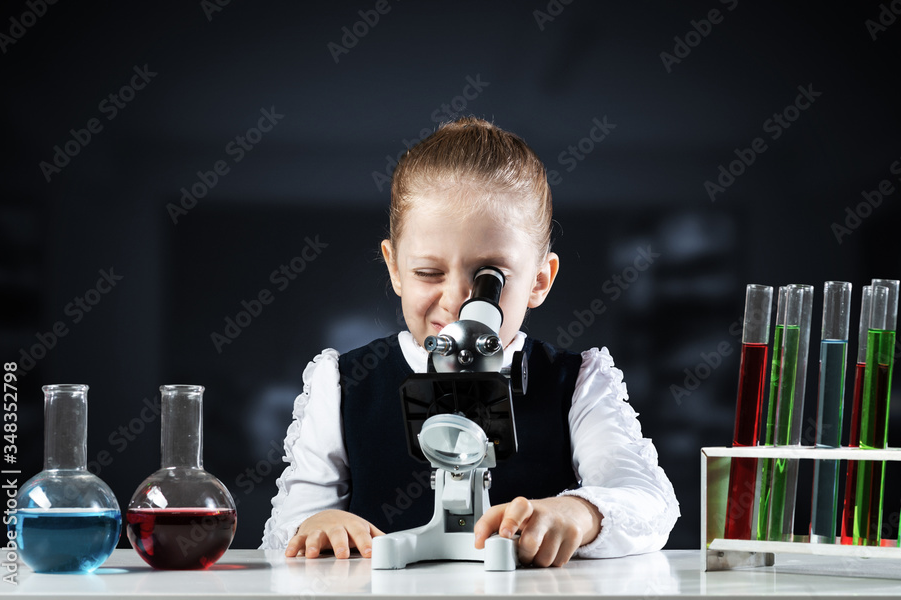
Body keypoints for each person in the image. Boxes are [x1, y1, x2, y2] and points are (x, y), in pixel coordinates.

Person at [261, 117, 679, 567]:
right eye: (428, 272)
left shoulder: (576, 383)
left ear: (539, 280)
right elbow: (289, 524)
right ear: (395, 268)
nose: (459, 301)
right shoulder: (342, 383)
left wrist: (580, 511)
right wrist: (316, 523)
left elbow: (647, 504)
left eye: (488, 279)